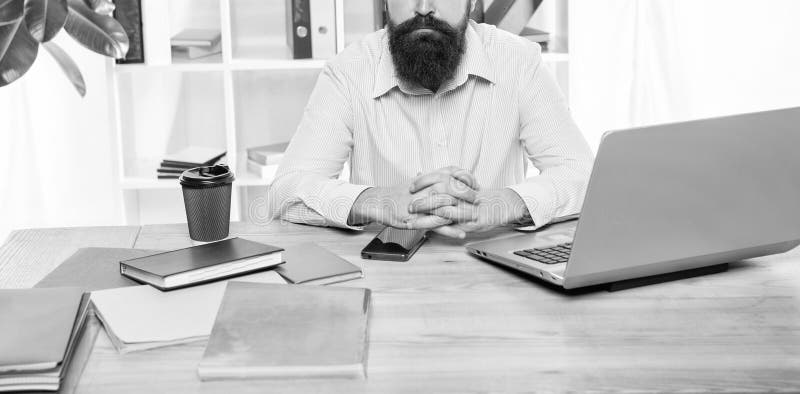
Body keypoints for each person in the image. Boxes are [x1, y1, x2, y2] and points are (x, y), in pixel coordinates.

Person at [267, 0, 593, 238]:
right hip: (385, 275)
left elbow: (582, 175)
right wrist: (376, 200)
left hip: (500, 276)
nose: (424, 8)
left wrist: (508, 202)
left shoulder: (519, 62)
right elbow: (285, 194)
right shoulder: (348, 71)